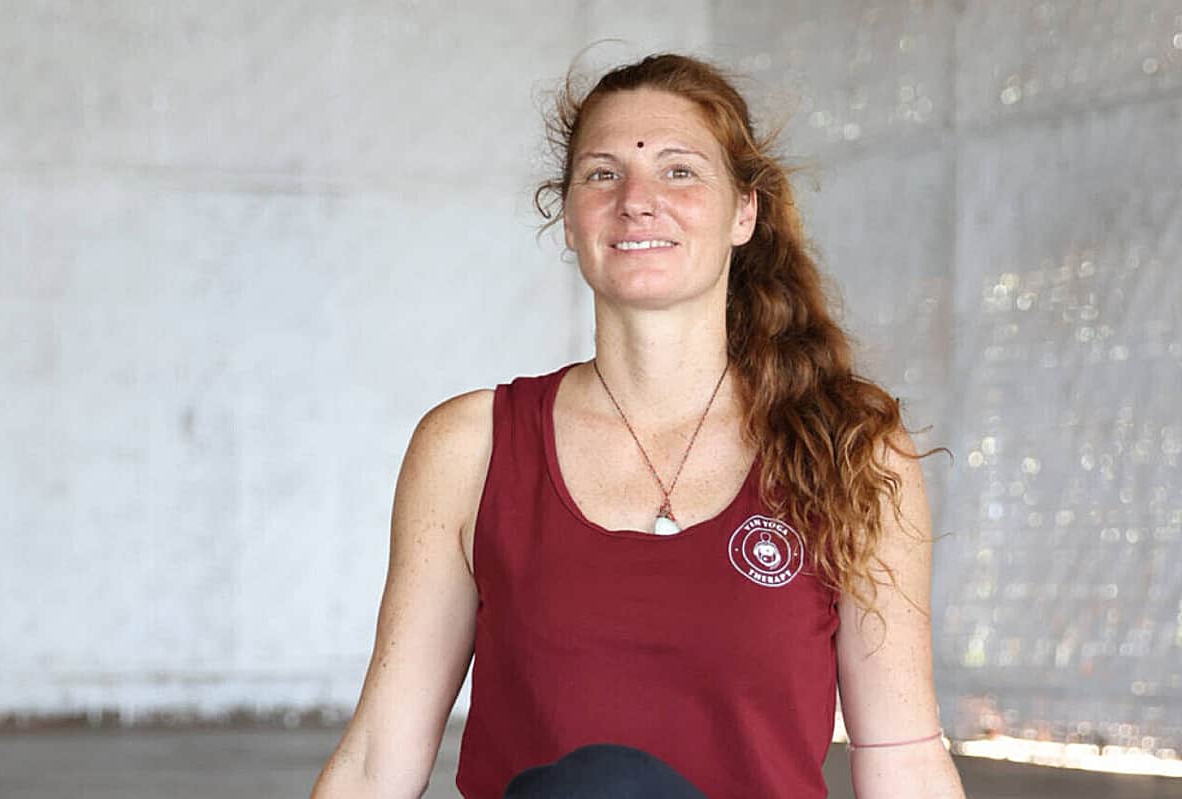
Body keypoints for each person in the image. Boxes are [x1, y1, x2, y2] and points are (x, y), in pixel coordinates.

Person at [311, 52, 968, 798]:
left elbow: (905, 758)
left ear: (744, 213)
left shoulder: (850, 446)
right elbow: (376, 760)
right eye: (602, 173)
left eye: (680, 172)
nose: (637, 200)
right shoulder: (471, 448)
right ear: (567, 216)